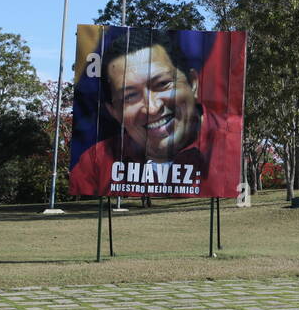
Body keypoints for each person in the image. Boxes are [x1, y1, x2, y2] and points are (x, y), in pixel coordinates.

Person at [69, 28, 209, 196]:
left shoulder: (230, 148)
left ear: (193, 83)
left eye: (163, 84)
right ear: (114, 112)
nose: (152, 108)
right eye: (130, 96)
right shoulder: (95, 163)